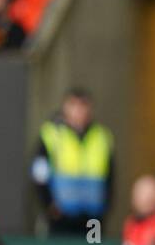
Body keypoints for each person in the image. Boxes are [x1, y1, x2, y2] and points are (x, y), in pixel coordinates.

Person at [31, 88, 114, 235]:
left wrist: (105, 207)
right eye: (74, 105)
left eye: (83, 105)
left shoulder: (102, 136)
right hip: (61, 216)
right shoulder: (52, 134)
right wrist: (49, 205)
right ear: (65, 107)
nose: (79, 111)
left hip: (92, 217)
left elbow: (110, 176)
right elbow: (39, 174)